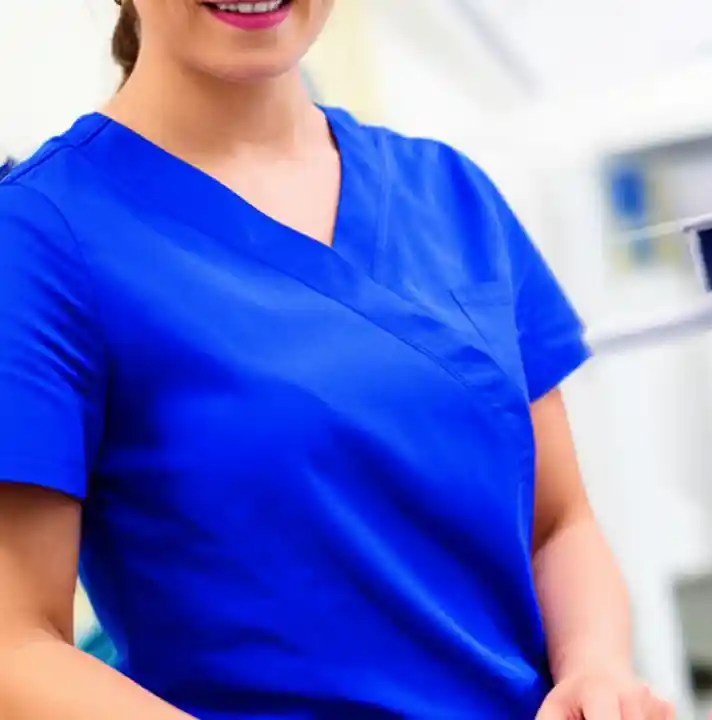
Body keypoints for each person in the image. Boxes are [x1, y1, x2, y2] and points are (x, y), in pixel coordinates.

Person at [0, 1, 675, 718]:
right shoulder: (39, 240)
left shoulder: (449, 192)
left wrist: (594, 666)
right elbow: (16, 645)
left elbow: (558, 523)